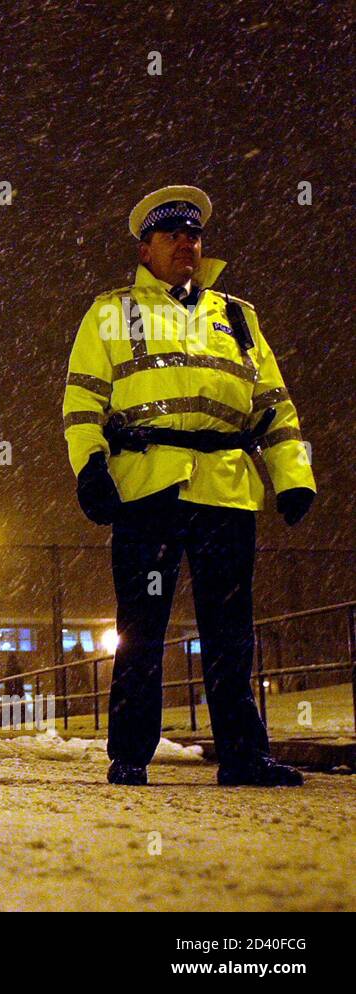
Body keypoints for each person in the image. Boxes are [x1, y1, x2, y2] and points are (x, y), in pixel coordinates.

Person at [62, 185, 315, 787]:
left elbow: (273, 405)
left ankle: (243, 755)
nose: (186, 244)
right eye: (172, 234)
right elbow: (82, 400)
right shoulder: (111, 312)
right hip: (147, 488)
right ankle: (130, 753)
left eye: (193, 235)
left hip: (224, 488)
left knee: (230, 631)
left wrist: (292, 477)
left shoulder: (236, 316)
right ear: (145, 248)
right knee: (141, 627)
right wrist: (90, 465)